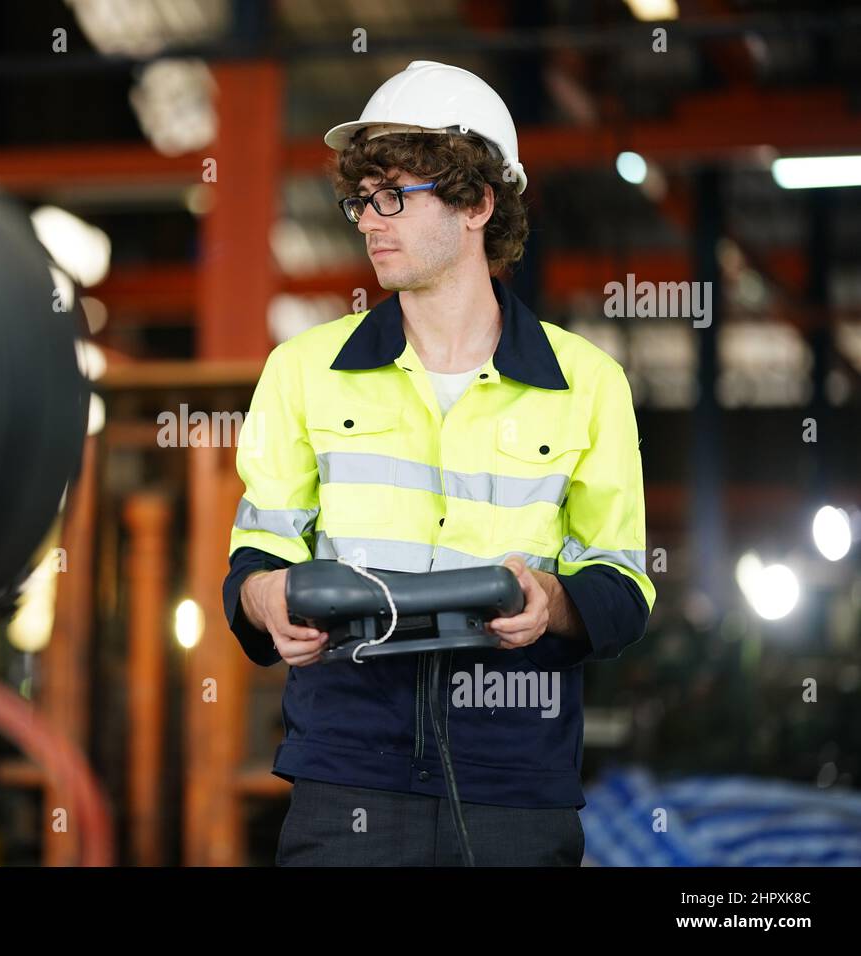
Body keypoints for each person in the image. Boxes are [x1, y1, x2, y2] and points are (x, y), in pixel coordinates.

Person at [222, 60, 655, 866]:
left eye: (395, 195)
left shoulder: (589, 385)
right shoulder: (302, 370)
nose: (367, 221)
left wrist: (552, 602)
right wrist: (263, 594)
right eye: (362, 198)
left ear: (476, 204)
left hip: (513, 781)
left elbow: (623, 588)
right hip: (348, 775)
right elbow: (258, 554)